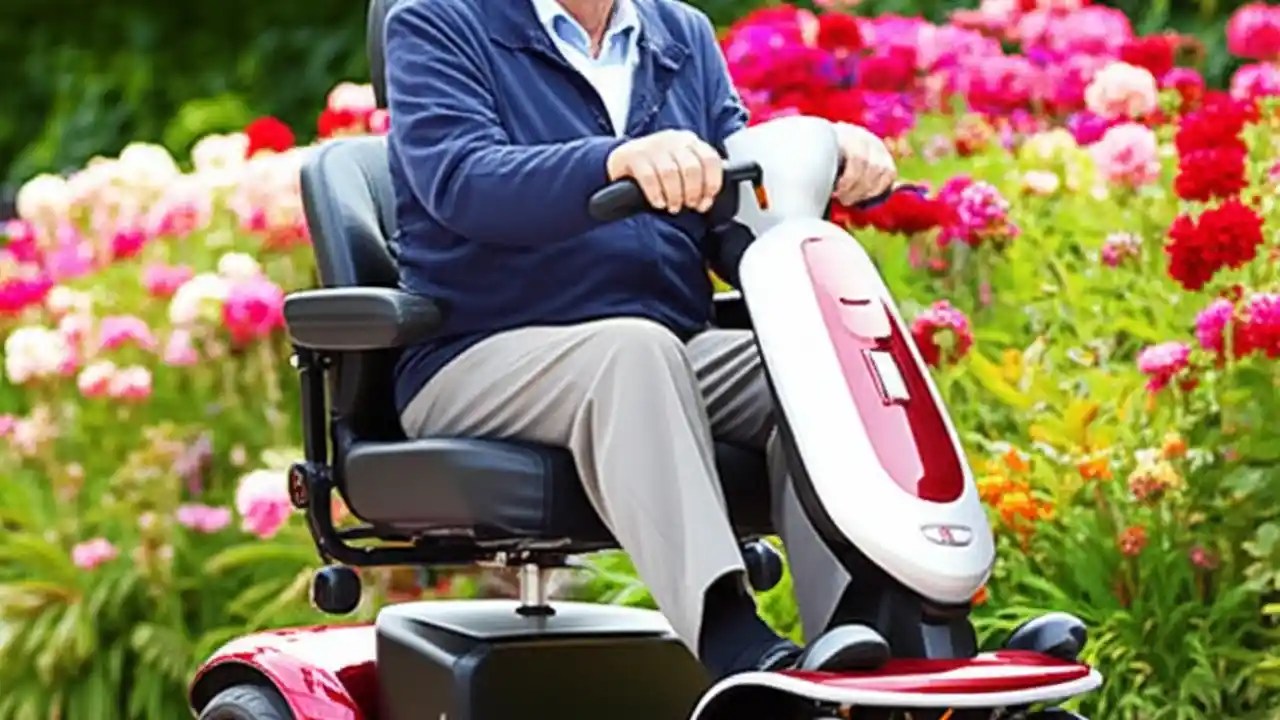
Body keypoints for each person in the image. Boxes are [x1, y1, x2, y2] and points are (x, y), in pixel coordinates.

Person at [383, 0, 898, 680]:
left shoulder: (677, 32)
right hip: (477, 355)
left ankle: (867, 643)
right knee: (633, 349)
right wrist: (614, 163)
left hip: (665, 346)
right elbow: (462, 180)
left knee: (821, 359)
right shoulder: (439, 20)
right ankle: (733, 644)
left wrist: (824, 161)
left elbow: (734, 218)